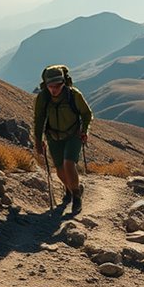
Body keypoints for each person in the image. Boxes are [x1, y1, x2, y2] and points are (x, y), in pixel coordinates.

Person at [33, 65, 92, 213]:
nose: (54, 89)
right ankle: (71, 189)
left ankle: (77, 197)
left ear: (63, 83)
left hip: (73, 135)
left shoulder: (74, 95)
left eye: (57, 85)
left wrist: (84, 131)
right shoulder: (43, 98)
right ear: (46, 85)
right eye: (50, 86)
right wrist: (38, 141)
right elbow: (39, 119)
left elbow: (86, 114)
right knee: (59, 170)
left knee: (68, 164)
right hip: (53, 137)